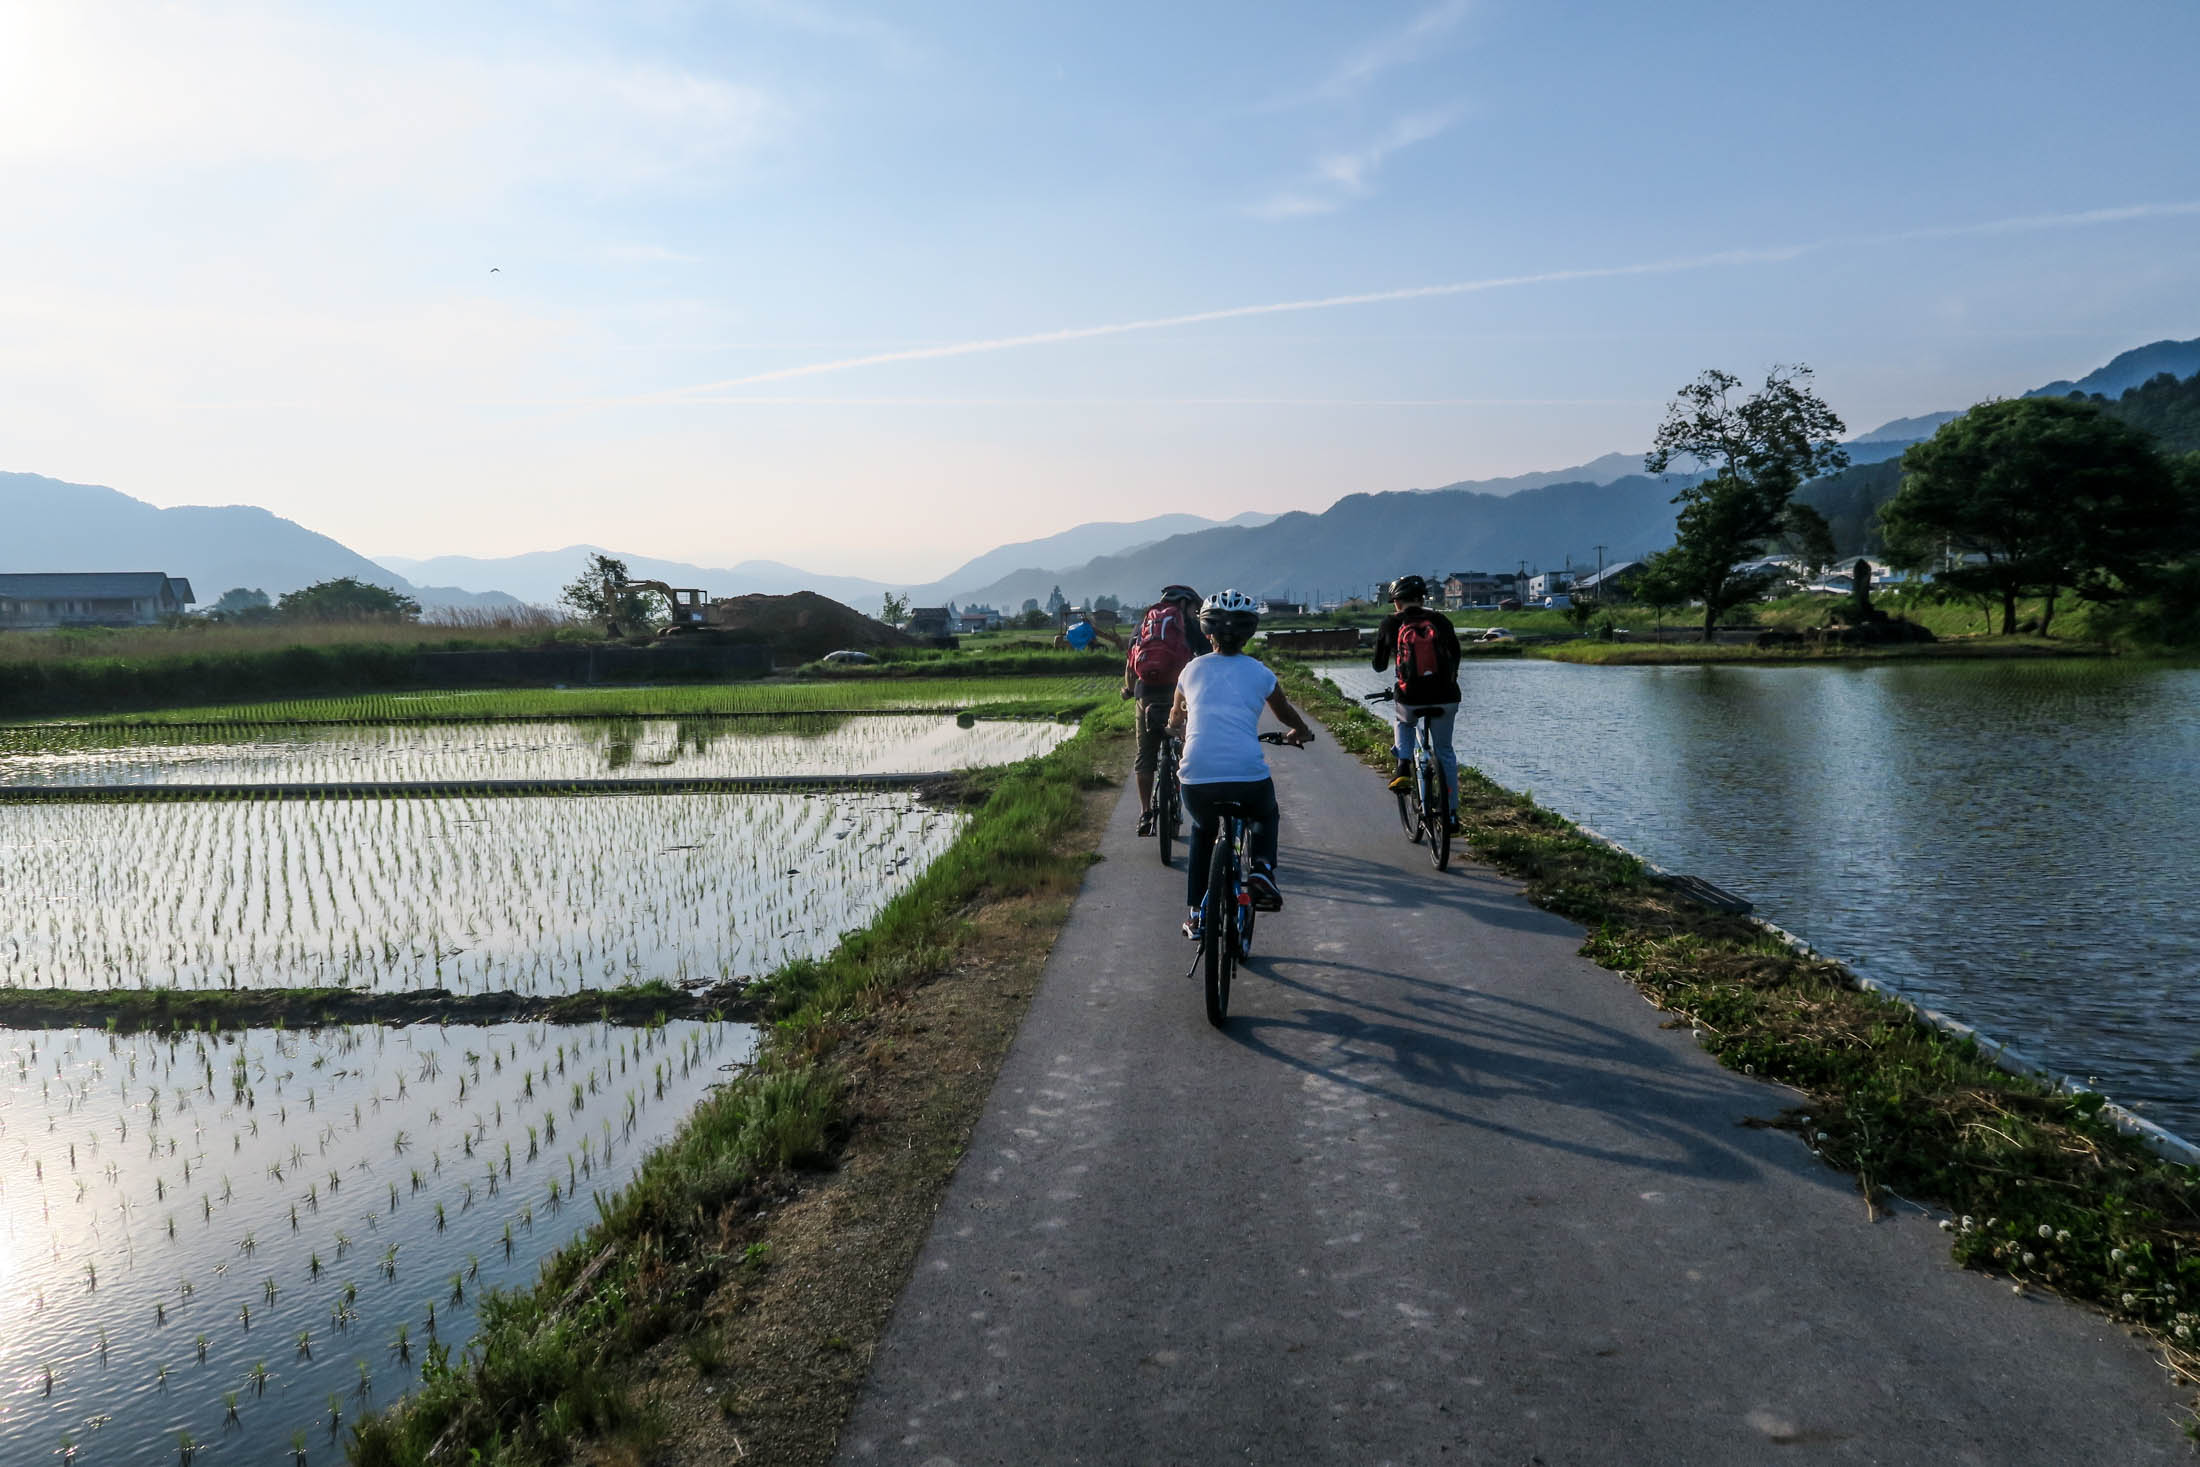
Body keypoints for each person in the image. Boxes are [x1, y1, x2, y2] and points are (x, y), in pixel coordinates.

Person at [1168, 589, 1314, 940]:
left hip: (1197, 779)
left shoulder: (1190, 671)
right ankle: (1262, 870)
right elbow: (1285, 714)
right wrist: (1301, 732)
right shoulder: (1260, 673)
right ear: (1249, 633)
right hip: (1247, 777)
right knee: (1265, 813)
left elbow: (1176, 719)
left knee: (1203, 830)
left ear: (1207, 633)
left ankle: (1196, 915)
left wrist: (1176, 730)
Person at [1370, 574, 1462, 831]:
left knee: (1403, 721)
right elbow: (1455, 656)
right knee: (1444, 751)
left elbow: (1378, 666)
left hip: (1410, 697)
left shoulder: (1390, 623)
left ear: (1396, 602)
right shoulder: (1441, 620)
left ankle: (1403, 768)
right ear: (1422, 599)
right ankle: (1451, 815)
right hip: (1447, 697)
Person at [1122, 584, 1211, 835]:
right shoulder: (1191, 626)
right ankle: (1189, 802)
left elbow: (1130, 666)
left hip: (1146, 694)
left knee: (1145, 755)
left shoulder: (1143, 625)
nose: (1195, 612)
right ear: (1184, 604)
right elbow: (1207, 661)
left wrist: (1129, 690)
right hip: (1179, 695)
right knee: (1188, 747)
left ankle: (1144, 814)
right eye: (1194, 607)